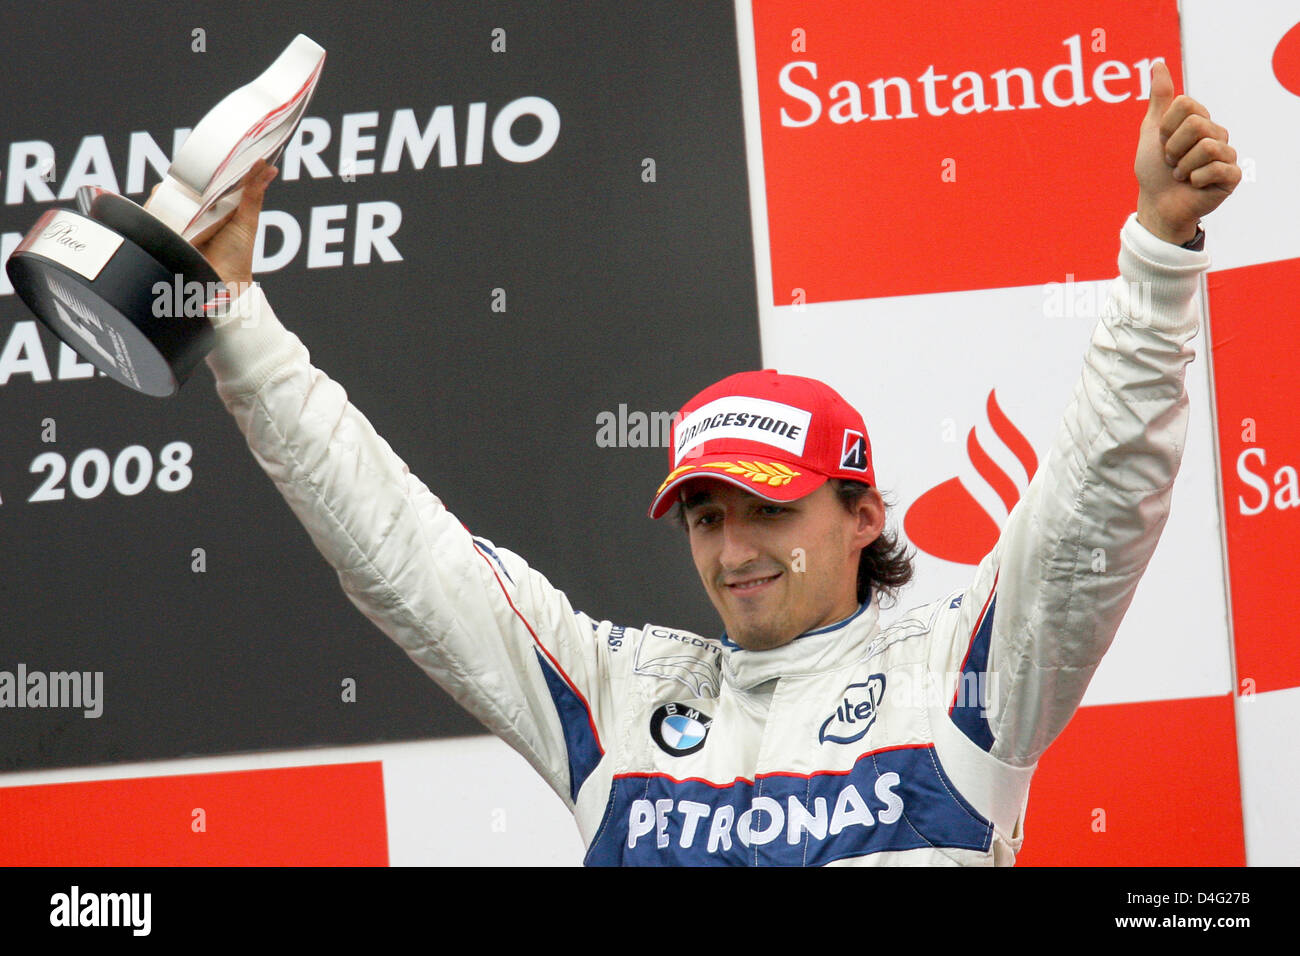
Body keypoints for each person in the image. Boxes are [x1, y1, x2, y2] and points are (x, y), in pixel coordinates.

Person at [196, 61, 1238, 865]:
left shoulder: (959, 677)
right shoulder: (619, 699)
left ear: (862, 513)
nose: (733, 548)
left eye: (767, 510)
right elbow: (399, 549)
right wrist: (232, 315)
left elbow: (1093, 505)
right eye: (704, 516)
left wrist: (1156, 250)